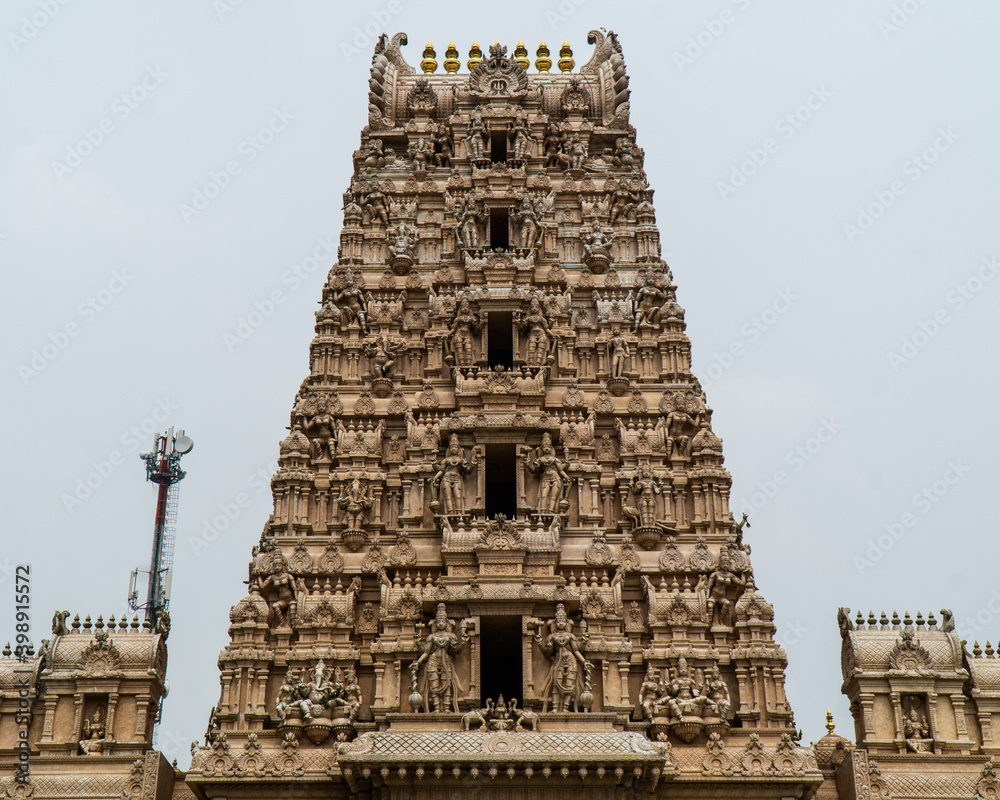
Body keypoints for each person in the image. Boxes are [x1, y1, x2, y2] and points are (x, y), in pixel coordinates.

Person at [410, 603, 470, 712]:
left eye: (443, 621)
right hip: (433, 661)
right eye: (438, 621)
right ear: (435, 623)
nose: (441, 623)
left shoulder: (451, 636)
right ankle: (437, 708)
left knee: (447, 685)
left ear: (446, 623)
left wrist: (463, 643)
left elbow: (456, 651)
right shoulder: (432, 636)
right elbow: (426, 652)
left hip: (446, 661)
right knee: (434, 686)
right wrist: (418, 662)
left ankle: (446, 708)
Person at [535, 603, 592, 712]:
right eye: (558, 621)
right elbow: (547, 652)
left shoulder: (570, 636)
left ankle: (565, 708)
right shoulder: (552, 636)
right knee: (556, 685)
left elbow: (576, 650)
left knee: (570, 685)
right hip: (558, 662)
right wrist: (539, 644)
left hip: (571, 661)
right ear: (555, 623)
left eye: (563, 621)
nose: (561, 623)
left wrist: (584, 661)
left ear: (566, 623)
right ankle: (555, 708)